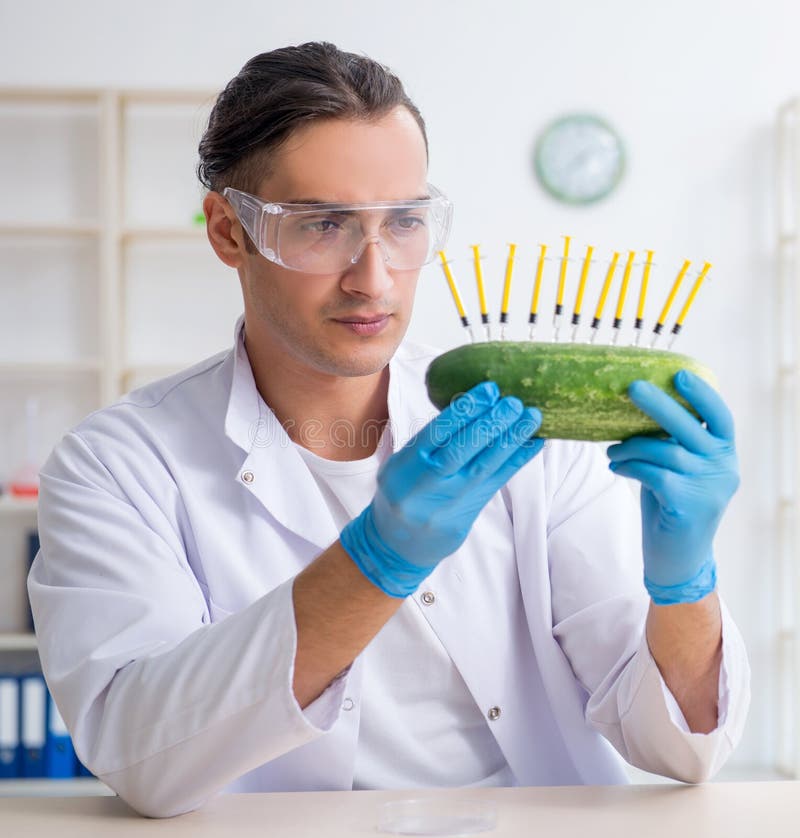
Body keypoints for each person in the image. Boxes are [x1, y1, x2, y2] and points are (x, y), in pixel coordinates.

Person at [28, 41, 749, 819]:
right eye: (323, 224)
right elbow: (143, 756)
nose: (374, 277)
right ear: (229, 232)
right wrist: (376, 562)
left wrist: (685, 584)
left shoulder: (529, 431)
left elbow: (681, 747)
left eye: (404, 221)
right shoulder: (117, 465)